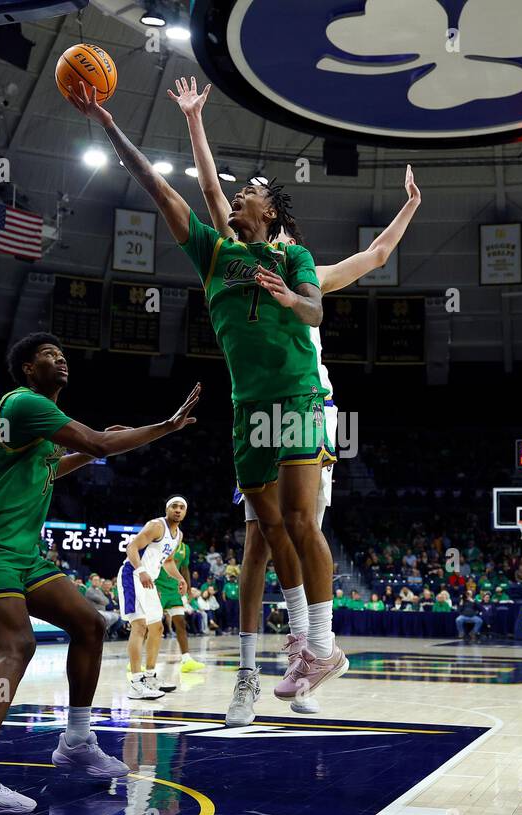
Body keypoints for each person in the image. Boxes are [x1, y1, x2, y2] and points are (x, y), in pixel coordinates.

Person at [151, 77, 415, 725]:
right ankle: (298, 646)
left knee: (300, 528)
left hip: (307, 404)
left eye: (254, 192)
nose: (240, 195)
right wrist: (193, 120)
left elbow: (376, 254)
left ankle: (317, 645)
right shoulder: (235, 255)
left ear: (275, 213)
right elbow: (211, 191)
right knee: (262, 538)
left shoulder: (301, 263)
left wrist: (409, 206)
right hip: (256, 408)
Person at [0, 333, 200, 814]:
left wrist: (94, 451)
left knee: (90, 623)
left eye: (62, 353)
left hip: (20, 553)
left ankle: (76, 741)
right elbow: (98, 440)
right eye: (47, 356)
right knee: (17, 645)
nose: (59, 359)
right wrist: (162, 427)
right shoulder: (24, 403)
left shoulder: (34, 427)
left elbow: (52, 469)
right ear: (27, 370)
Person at [119, 497, 191, 700]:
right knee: (139, 626)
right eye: (174, 506)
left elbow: (167, 561)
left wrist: (179, 579)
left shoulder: (178, 535)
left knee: (157, 627)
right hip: (132, 575)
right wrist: (141, 570)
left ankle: (150, 676)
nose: (178, 510)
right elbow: (131, 548)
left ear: (185, 512)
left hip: (148, 580)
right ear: (166, 509)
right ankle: (135, 683)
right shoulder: (156, 526)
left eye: (181, 507)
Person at [155, 523, 204, 685]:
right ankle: (138, 661)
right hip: (158, 587)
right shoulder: (160, 544)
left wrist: (188, 588)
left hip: (174, 590)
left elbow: (185, 570)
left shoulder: (185, 549)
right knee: (152, 625)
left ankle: (186, 659)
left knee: (180, 623)